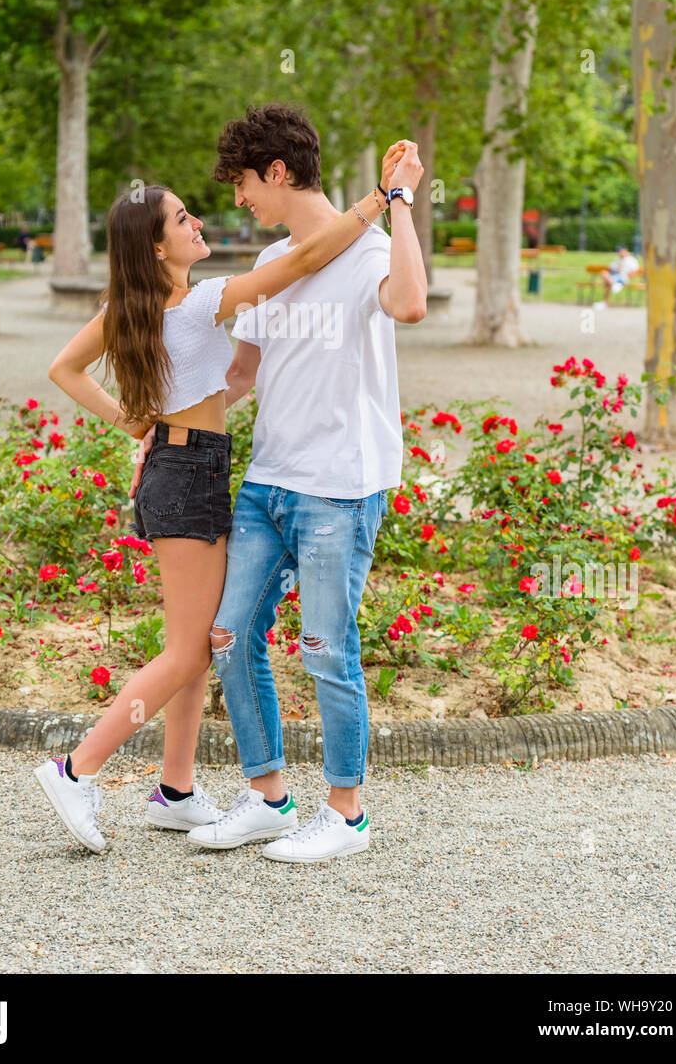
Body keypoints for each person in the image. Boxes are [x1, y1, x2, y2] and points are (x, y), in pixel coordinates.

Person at [33, 138, 407, 854]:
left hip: (186, 466)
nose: (198, 221)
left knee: (205, 645)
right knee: (186, 652)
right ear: (155, 249)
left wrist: (134, 423)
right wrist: (378, 200)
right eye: (181, 219)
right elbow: (301, 259)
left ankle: (177, 789)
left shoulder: (134, 305)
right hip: (190, 472)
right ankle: (76, 769)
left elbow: (64, 368)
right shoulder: (203, 301)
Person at [146, 103, 427, 865]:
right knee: (230, 638)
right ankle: (271, 800)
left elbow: (408, 304)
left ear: (275, 171)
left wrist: (398, 200)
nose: (236, 199)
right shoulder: (276, 260)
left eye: (242, 183)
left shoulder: (369, 251)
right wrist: (161, 429)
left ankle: (348, 815)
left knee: (326, 646)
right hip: (269, 482)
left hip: (340, 485)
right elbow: (240, 374)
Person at [593, 245, 639, 310]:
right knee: (604, 274)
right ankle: (613, 285)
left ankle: (604, 302)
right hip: (615, 276)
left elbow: (634, 272)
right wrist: (616, 270)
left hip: (623, 277)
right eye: (618, 251)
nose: (619, 253)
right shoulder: (617, 260)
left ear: (625, 250)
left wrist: (624, 273)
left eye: (620, 251)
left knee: (607, 283)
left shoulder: (631, 260)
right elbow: (611, 268)